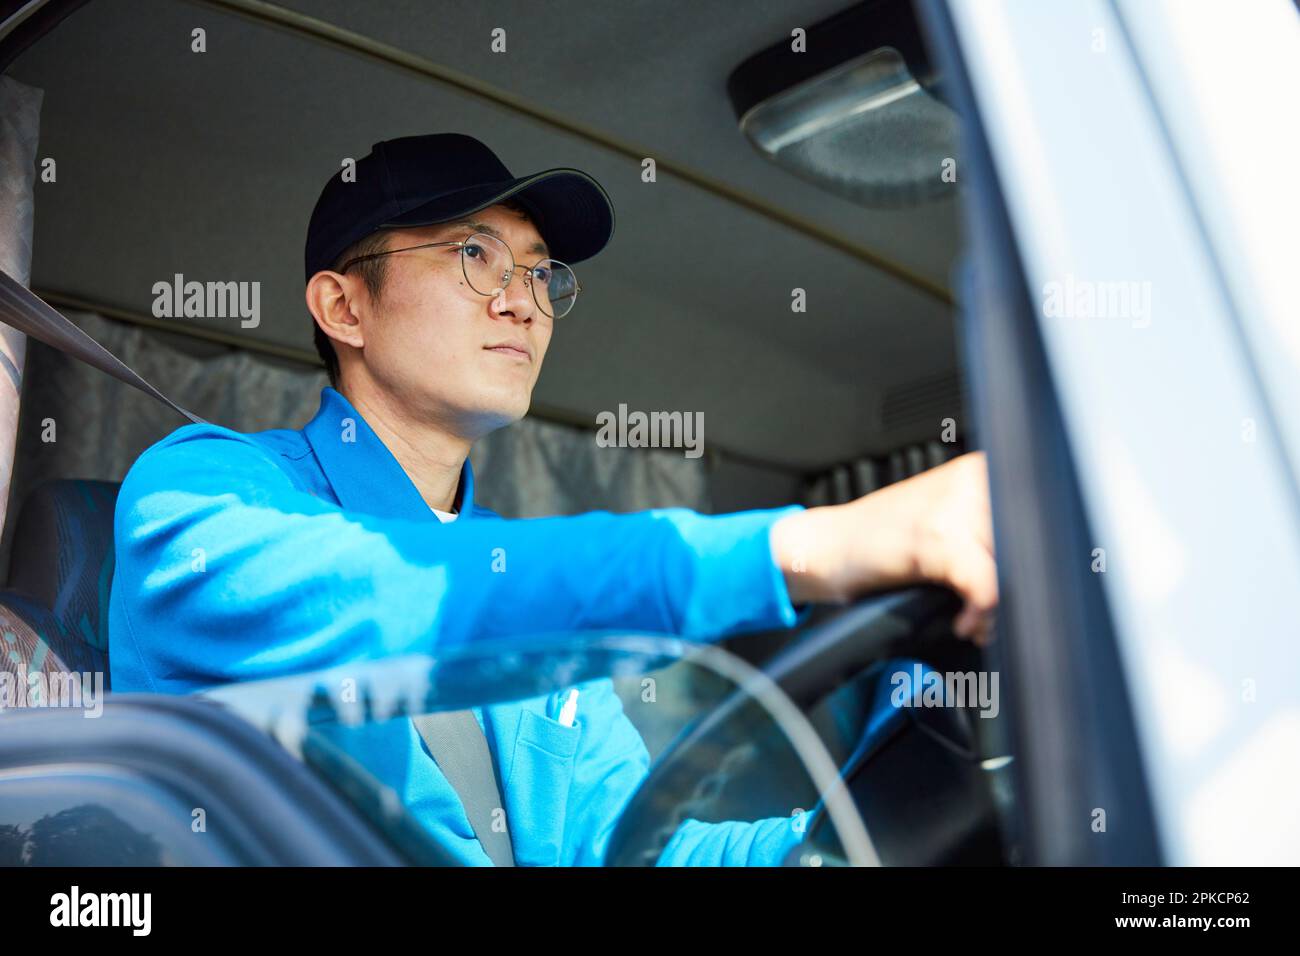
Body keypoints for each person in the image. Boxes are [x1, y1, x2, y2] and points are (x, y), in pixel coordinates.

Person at [108, 133, 997, 866]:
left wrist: (853, 836)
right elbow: (401, 591)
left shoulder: (516, 574)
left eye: (540, 275)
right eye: (474, 256)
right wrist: (808, 547)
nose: (525, 305)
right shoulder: (194, 496)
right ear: (344, 308)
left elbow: (628, 852)